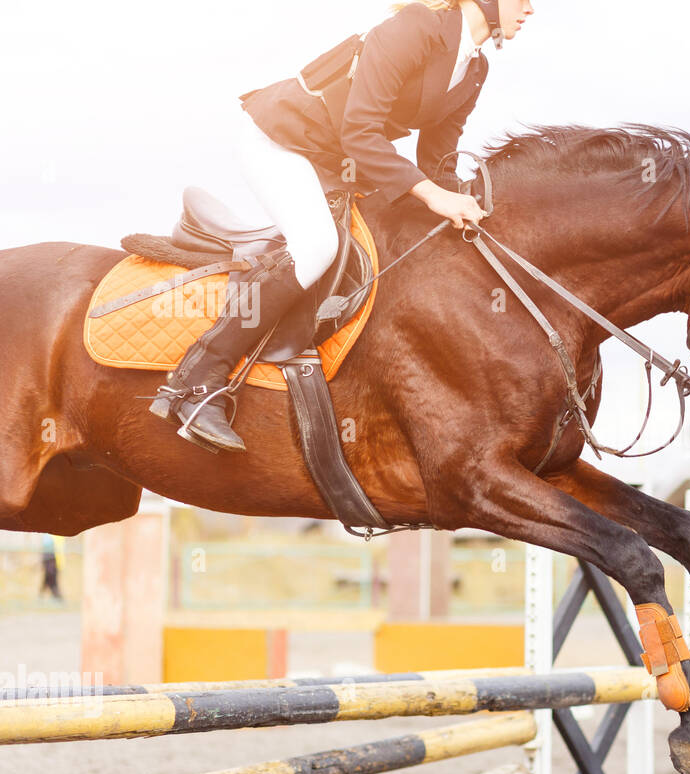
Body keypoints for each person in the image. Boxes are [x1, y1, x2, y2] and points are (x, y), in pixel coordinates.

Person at [151, 0, 534, 452]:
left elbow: (437, 158)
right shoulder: (414, 28)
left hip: (340, 159)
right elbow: (361, 132)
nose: (529, 10)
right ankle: (195, 380)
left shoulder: (474, 68)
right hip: (283, 140)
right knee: (317, 246)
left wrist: (467, 207)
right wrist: (433, 195)